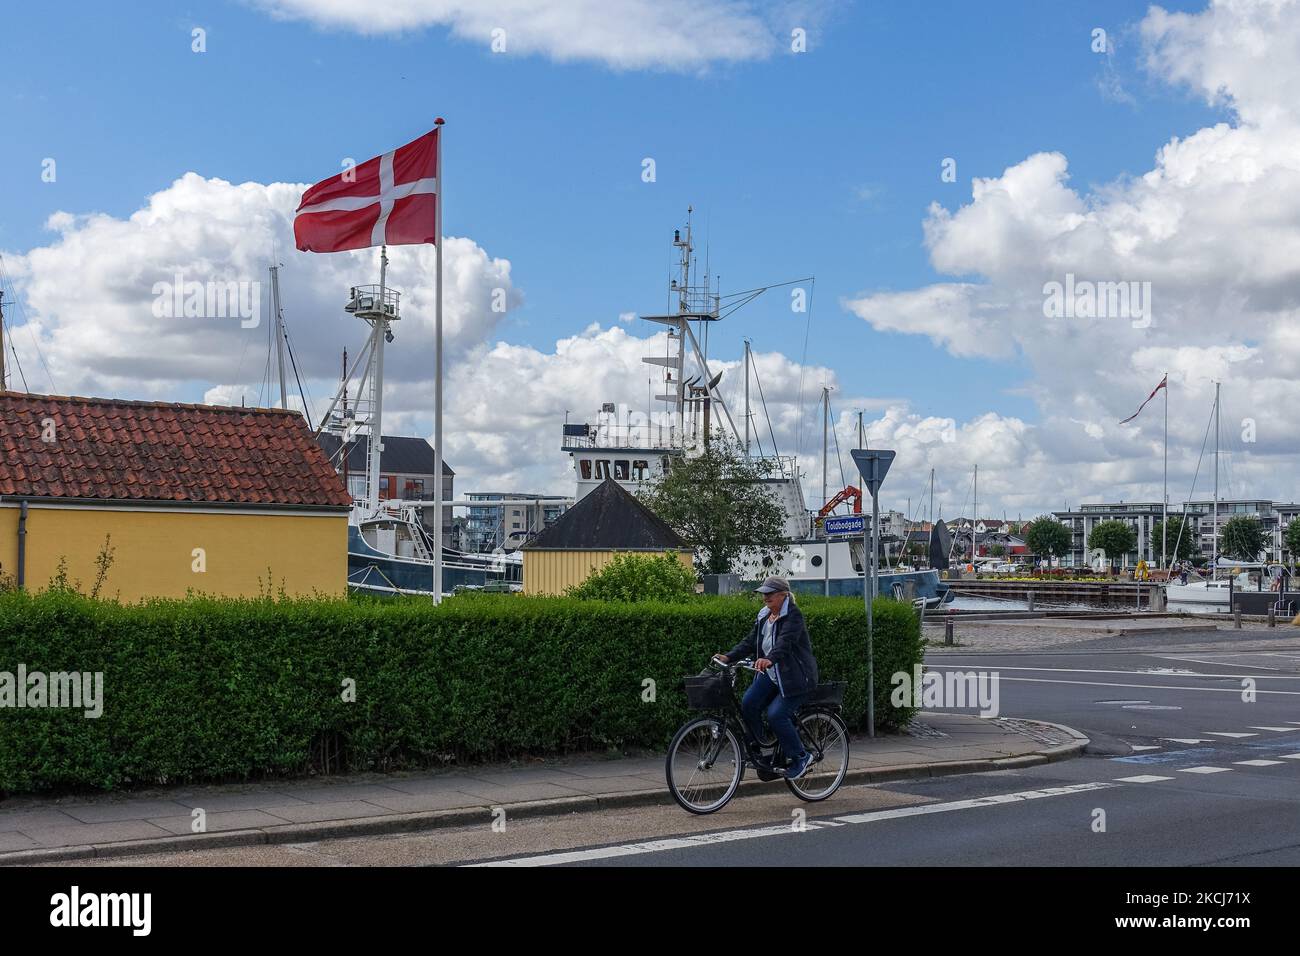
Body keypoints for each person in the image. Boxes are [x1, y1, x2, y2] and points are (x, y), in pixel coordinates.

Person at [714, 576, 819, 780]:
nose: (765, 597)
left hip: (796, 677)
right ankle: (761, 751)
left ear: (783, 595)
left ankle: (801, 757)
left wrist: (769, 659)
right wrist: (729, 656)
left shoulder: (793, 616)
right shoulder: (764, 615)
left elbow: (784, 643)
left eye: (770, 593)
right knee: (748, 703)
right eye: (764, 593)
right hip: (773, 675)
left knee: (777, 715)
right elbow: (750, 640)